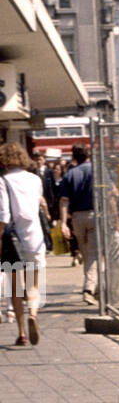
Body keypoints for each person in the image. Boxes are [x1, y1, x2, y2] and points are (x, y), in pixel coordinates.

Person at [0, 143, 48, 346]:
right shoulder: (35, 179)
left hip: (12, 239)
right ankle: (34, 314)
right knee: (33, 284)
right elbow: (37, 205)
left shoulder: (3, 181)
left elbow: (4, 214)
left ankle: (22, 333)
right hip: (34, 238)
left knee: (14, 288)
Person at [58, 144, 97, 304]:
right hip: (95, 214)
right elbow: (110, 193)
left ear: (73, 157)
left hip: (76, 218)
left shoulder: (69, 174)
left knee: (86, 254)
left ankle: (94, 287)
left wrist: (63, 223)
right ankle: (89, 288)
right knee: (94, 254)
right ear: (89, 155)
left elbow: (64, 201)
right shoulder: (97, 170)